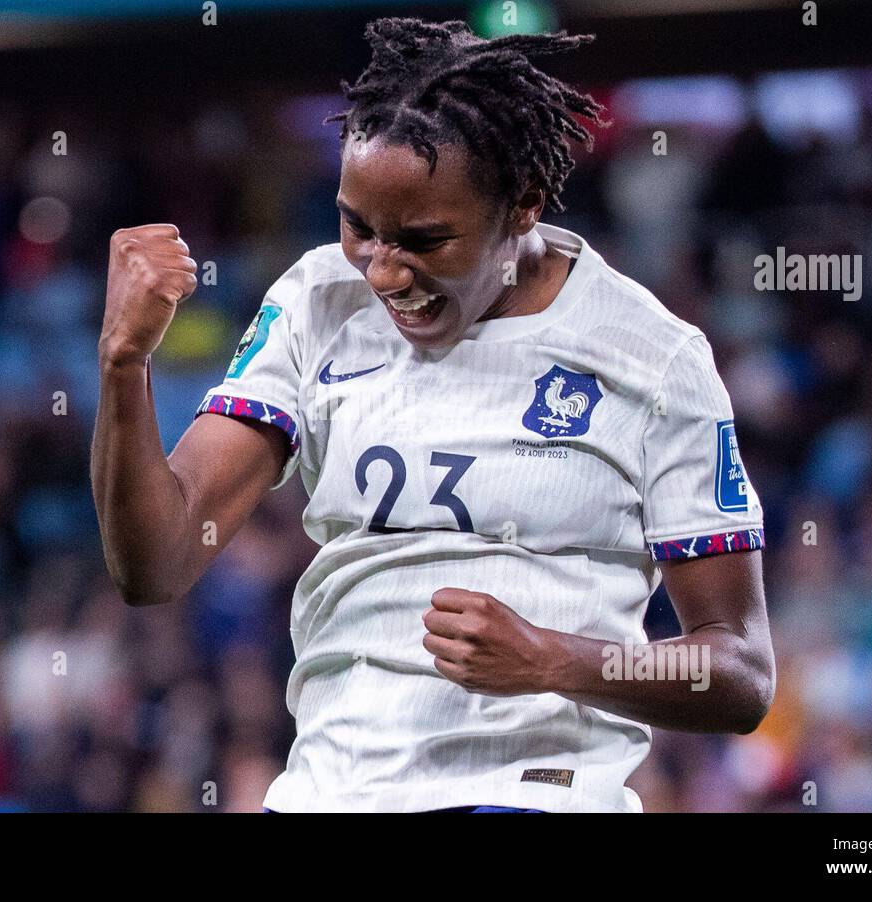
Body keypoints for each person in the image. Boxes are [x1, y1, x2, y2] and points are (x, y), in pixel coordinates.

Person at [92, 17, 774, 813]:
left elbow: (740, 674)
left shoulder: (652, 357)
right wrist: (121, 362)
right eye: (358, 227)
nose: (383, 271)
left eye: (424, 240)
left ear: (522, 205)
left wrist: (553, 660)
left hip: (532, 796)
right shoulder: (316, 303)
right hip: (326, 792)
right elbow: (156, 564)